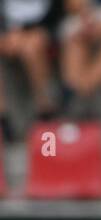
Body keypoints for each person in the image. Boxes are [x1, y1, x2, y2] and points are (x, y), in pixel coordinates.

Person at [0, 0, 64, 139]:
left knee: (32, 48)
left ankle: (45, 107)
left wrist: (25, 32)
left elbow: (56, 17)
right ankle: (3, 115)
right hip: (11, 34)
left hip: (40, 32)